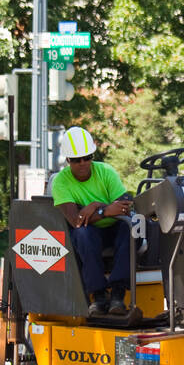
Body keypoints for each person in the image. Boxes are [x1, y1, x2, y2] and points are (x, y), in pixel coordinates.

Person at [52, 126, 132, 315]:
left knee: (131, 229)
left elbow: (125, 206)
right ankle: (98, 296)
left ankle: (118, 295)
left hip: (115, 228)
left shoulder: (106, 172)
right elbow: (76, 220)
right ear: (68, 160)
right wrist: (106, 211)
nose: (83, 163)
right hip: (90, 231)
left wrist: (95, 206)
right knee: (82, 234)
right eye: (76, 160)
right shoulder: (61, 182)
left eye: (87, 157)